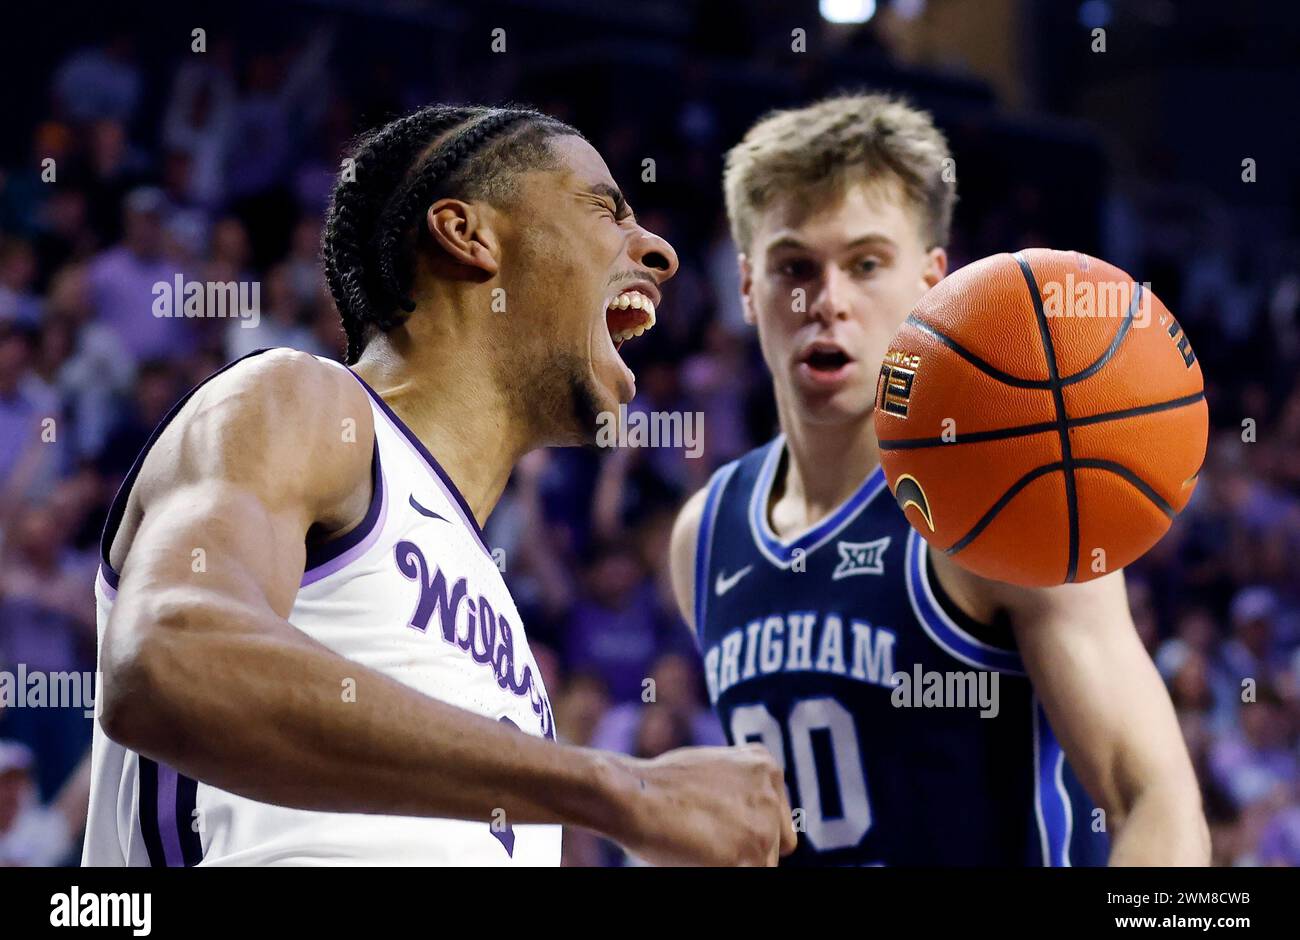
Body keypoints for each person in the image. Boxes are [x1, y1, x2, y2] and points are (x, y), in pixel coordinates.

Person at [84, 104, 794, 867]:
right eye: (604, 209)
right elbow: (167, 660)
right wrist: (621, 790)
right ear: (468, 233)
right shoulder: (306, 402)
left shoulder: (510, 640)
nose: (657, 250)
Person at [669, 94, 1208, 865]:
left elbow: (1155, 801)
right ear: (748, 287)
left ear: (932, 282)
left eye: (865, 264)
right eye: (795, 267)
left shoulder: (1009, 496)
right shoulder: (705, 534)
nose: (829, 302)